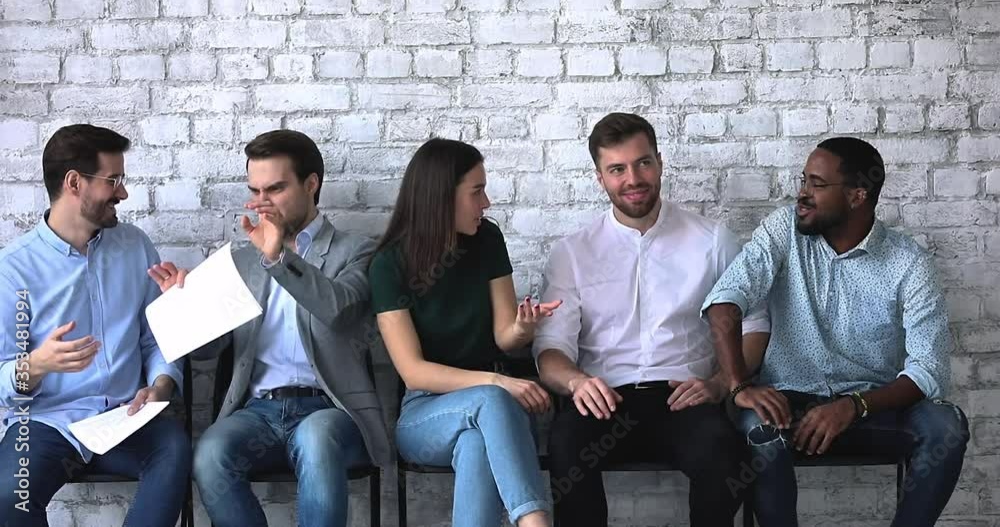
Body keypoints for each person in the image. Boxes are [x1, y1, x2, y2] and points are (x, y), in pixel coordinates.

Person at [703, 137, 969, 527]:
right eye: (803, 180)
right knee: (758, 428)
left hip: (873, 408)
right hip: (788, 406)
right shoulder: (784, 230)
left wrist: (854, 406)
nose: (802, 194)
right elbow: (725, 303)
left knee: (947, 426)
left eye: (816, 184)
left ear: (858, 195)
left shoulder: (908, 264)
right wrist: (739, 386)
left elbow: (928, 371)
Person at [533, 112, 770, 527]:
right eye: (617, 169)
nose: (633, 178)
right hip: (604, 398)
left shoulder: (712, 241)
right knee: (567, 446)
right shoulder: (572, 253)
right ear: (599, 177)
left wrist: (718, 384)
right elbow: (550, 349)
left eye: (643, 163)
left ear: (659, 162)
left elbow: (753, 327)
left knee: (723, 454)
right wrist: (576, 382)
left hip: (682, 397)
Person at [149, 129, 391, 527]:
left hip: (329, 410)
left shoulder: (356, 251)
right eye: (255, 191)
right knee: (210, 455)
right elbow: (209, 354)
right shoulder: (240, 260)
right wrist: (184, 307)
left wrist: (277, 256)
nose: (262, 204)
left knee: (316, 440)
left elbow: (340, 311)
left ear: (311, 185)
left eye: (275, 189)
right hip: (257, 411)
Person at [0, 124, 189, 526]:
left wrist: (160, 385)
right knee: (6, 496)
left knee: (173, 447)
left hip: (127, 417)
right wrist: (36, 365)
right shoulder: (12, 271)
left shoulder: (135, 247)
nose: (122, 193)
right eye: (113, 180)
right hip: (50, 423)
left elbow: (156, 339)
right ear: (74, 183)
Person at [368, 138, 559, 527]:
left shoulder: (487, 239)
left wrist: (522, 327)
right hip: (425, 410)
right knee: (488, 401)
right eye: (477, 192)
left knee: (476, 443)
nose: (486, 203)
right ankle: (535, 521)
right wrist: (498, 383)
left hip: (493, 412)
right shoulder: (388, 265)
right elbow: (414, 372)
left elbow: (505, 337)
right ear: (442, 197)